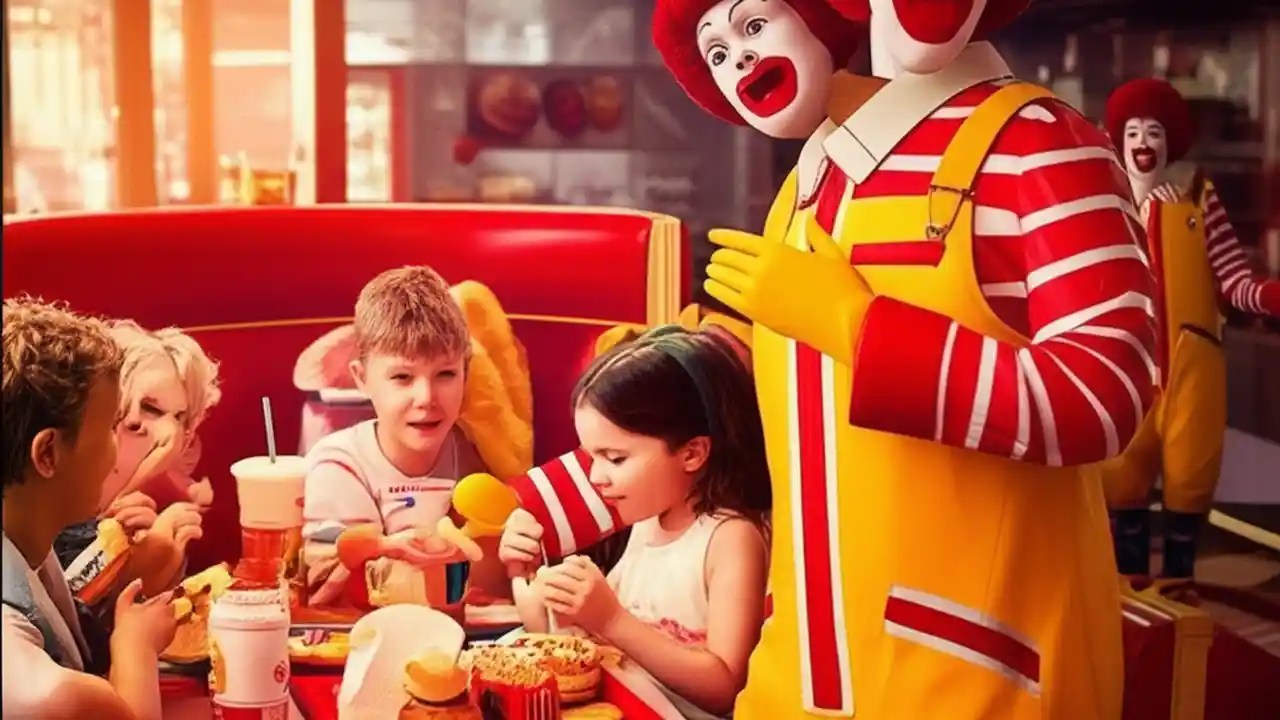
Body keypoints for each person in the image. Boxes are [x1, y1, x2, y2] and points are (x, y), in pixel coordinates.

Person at [657, 0, 1157, 717]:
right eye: (714, 49)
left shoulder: (1036, 143)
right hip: (795, 669)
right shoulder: (806, 185)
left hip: (978, 679)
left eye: (753, 24)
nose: (737, 58)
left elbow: (1104, 399)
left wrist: (857, 328)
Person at [499, 326, 771, 718]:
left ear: (692, 453)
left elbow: (725, 688)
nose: (596, 477)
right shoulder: (646, 522)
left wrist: (611, 619)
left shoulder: (730, 539)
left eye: (615, 458)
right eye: (593, 458)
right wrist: (523, 575)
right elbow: (568, 640)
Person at [1099, 78, 1280, 578]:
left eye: (1153, 131)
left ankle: (1180, 584)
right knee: (1120, 486)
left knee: (1190, 480)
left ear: (1169, 140)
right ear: (1118, 138)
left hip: (1191, 372)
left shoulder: (1198, 198)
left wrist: (1270, 296)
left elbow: (1234, 282)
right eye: (1133, 130)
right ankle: (1128, 589)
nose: (1142, 142)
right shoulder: (1100, 204)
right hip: (1123, 371)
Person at [2, 297, 178, 720]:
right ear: (48, 453)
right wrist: (135, 648)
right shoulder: (51, 696)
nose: (119, 446)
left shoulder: (29, 546)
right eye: (109, 426)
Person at [301, 266, 490, 608]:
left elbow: (494, 580)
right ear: (361, 378)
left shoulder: (472, 453)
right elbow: (329, 587)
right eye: (403, 377)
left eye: (445, 374)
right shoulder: (338, 465)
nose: (426, 397)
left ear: (467, 372)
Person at [55, 321, 217, 593]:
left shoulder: (133, 519)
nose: (170, 435)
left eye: (180, 418)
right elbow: (52, 621)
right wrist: (137, 576)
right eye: (150, 408)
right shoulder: (39, 507)